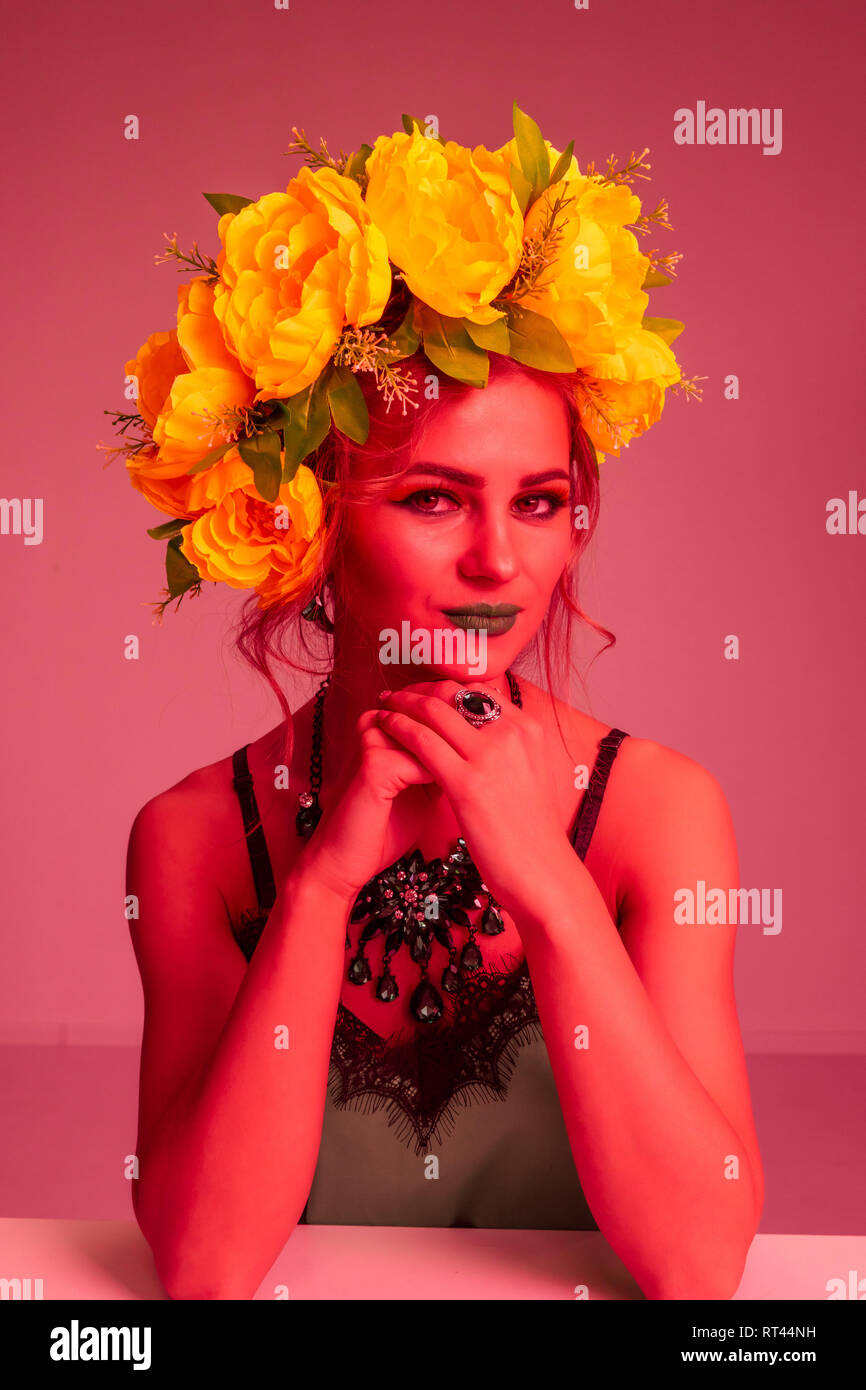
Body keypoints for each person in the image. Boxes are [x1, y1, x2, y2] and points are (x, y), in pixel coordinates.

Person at [113, 112, 764, 1300]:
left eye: (536, 502)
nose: (496, 563)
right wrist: (316, 887)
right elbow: (205, 1268)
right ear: (310, 518)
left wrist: (548, 883)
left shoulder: (661, 815)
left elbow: (700, 1262)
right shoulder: (196, 838)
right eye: (431, 498)